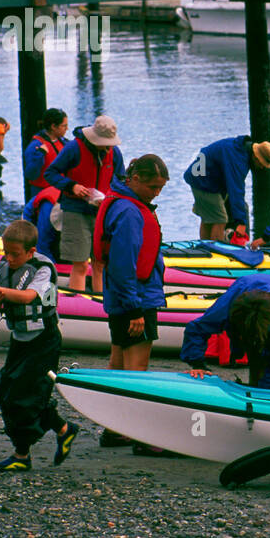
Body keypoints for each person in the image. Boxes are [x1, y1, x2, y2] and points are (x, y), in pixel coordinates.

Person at [0, 220, 79, 472]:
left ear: (30, 252)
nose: (9, 258)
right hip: (19, 338)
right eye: (5, 252)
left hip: (44, 339)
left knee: (26, 398)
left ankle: (22, 454)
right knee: (4, 391)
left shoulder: (43, 268)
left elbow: (30, 296)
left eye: (15, 254)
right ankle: (64, 429)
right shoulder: (4, 266)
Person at [94, 155, 168, 375]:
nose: (156, 193)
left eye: (161, 188)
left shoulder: (122, 203)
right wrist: (135, 309)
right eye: (153, 187)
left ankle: (105, 407)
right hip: (137, 300)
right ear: (134, 179)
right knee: (136, 370)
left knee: (117, 365)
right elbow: (122, 263)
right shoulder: (129, 212)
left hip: (122, 298)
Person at [181, 275, 270, 388]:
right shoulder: (227, 307)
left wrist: (266, 389)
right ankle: (255, 386)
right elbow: (197, 328)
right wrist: (197, 364)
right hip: (244, 285)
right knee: (255, 354)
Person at [46, 116, 124, 293]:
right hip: (76, 211)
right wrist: (72, 186)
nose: (108, 147)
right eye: (105, 143)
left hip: (103, 212)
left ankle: (101, 304)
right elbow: (51, 173)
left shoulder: (114, 152)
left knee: (100, 263)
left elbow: (121, 180)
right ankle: (79, 304)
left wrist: (111, 199)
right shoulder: (73, 148)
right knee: (80, 264)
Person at [183, 136, 270, 242]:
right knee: (220, 218)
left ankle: (206, 247)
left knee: (209, 217)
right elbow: (236, 191)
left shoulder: (241, 149)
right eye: (261, 164)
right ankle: (215, 251)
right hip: (203, 181)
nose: (262, 167)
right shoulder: (238, 160)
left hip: (206, 178)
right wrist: (241, 222)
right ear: (256, 157)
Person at [23, 108, 68, 203]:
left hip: (60, 192)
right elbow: (31, 175)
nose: (67, 129)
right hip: (42, 194)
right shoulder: (36, 146)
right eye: (64, 126)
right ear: (53, 126)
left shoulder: (63, 142)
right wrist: (39, 156)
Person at [22, 185, 61, 262]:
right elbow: (42, 247)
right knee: (40, 247)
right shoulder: (47, 215)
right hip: (33, 216)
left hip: (56, 214)